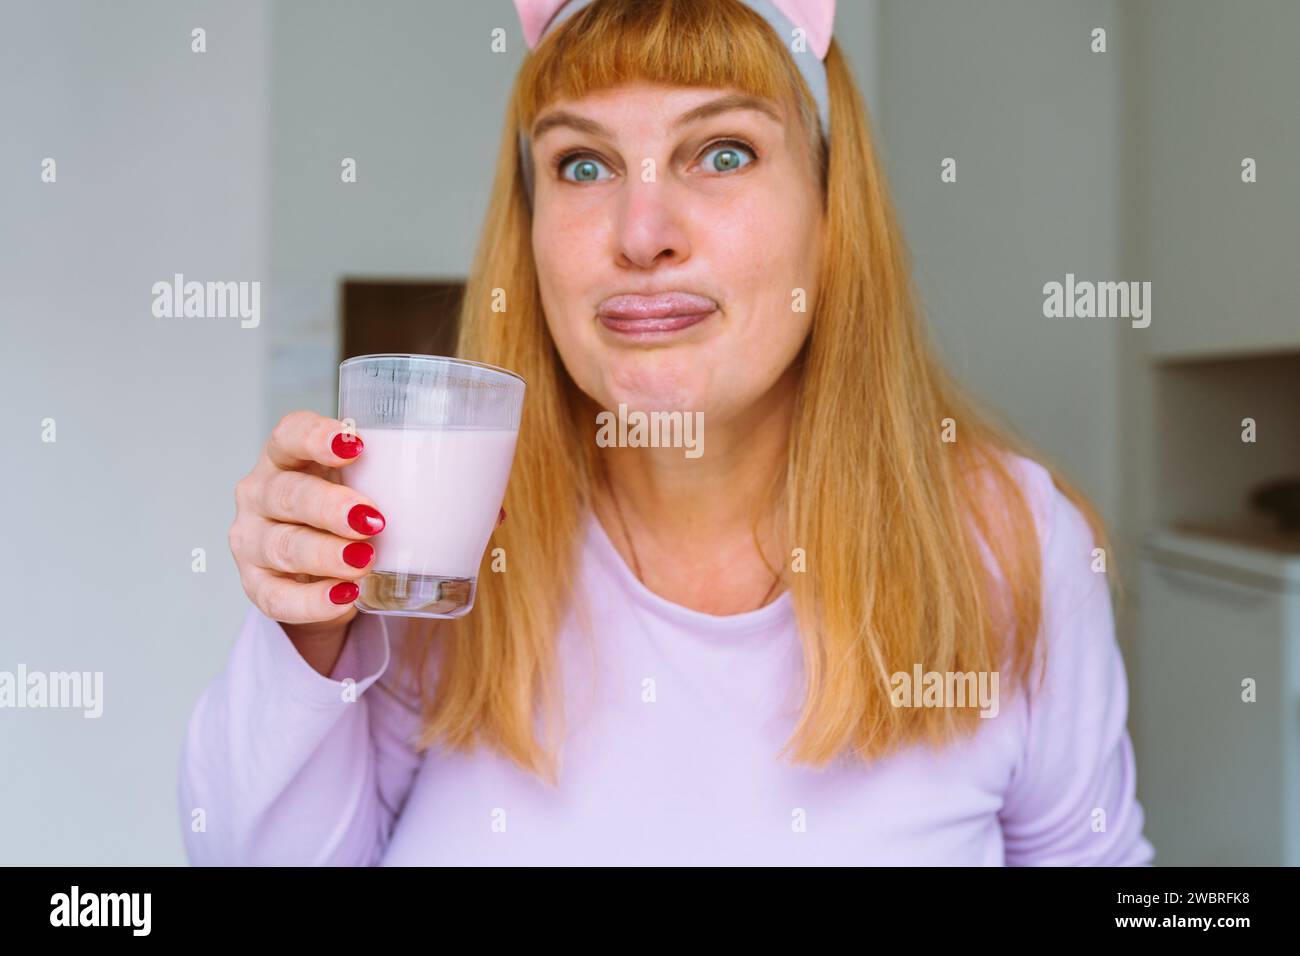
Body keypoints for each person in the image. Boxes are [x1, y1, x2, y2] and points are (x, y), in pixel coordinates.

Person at [179, 0, 1155, 865]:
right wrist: (308, 640)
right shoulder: (444, 540)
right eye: (582, 163)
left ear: (830, 211)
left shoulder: (1014, 540)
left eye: (722, 151)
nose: (640, 230)